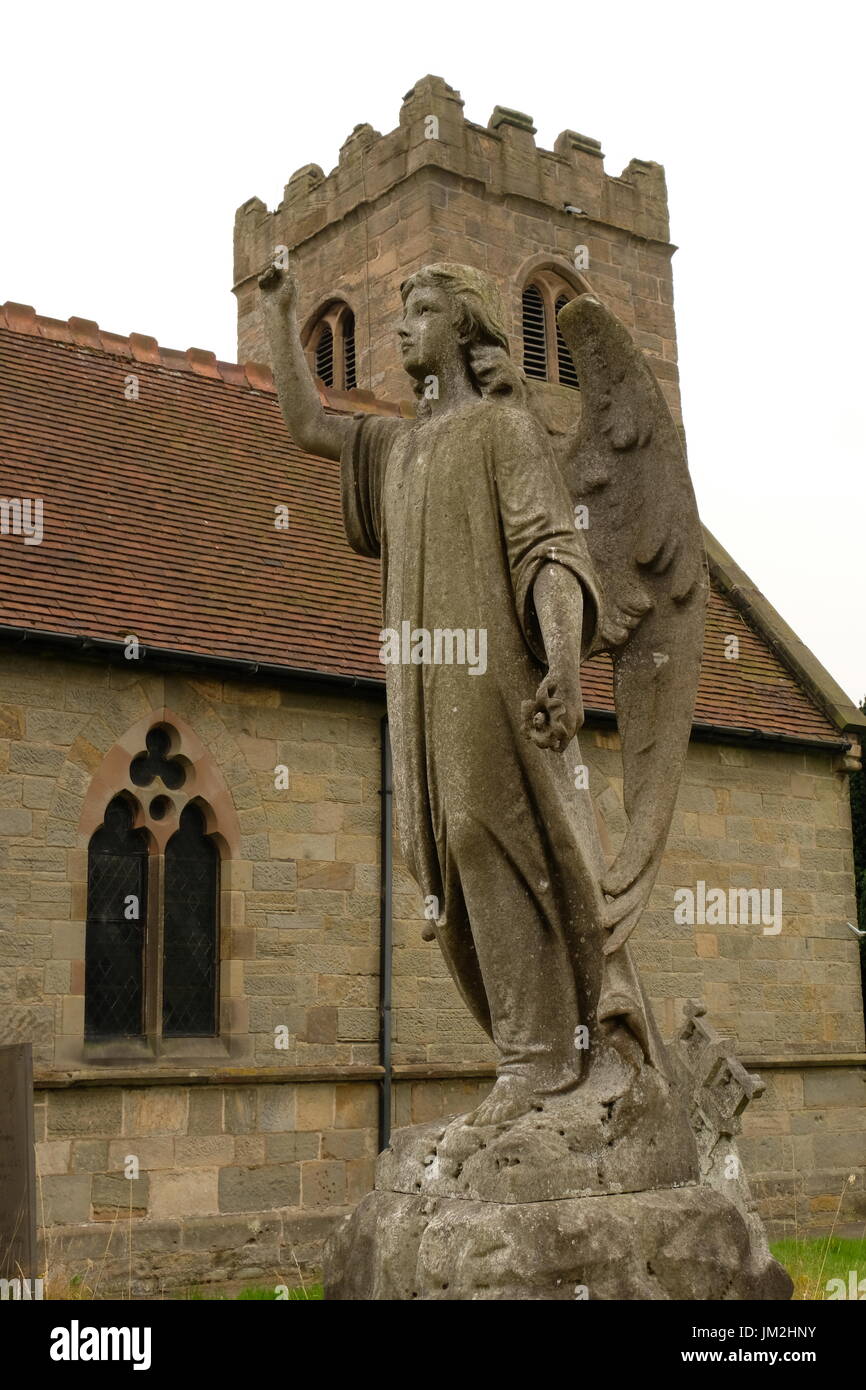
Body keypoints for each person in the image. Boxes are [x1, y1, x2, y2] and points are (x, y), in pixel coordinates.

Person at [260, 260, 660, 1125]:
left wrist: (564, 663)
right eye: (402, 310)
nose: (403, 325)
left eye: (423, 309)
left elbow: (550, 551)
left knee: (486, 832)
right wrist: (281, 313)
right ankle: (531, 1053)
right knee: (436, 852)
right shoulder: (394, 448)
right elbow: (305, 422)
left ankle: (540, 1061)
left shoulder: (504, 431)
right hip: (419, 684)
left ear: (466, 325)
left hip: (492, 680)